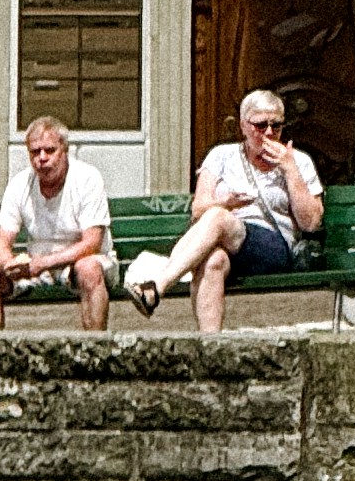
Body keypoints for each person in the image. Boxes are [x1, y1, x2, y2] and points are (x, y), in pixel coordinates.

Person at [125, 90, 324, 329]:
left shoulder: (298, 161)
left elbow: (311, 222)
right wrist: (226, 204)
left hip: (274, 247)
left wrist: (290, 170)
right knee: (213, 260)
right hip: (225, 242)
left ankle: (157, 286)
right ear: (243, 126)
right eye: (260, 125)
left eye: (276, 125)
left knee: (218, 218)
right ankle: (210, 349)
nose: (269, 133)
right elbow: (199, 210)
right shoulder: (221, 156)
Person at [0, 115, 115, 331]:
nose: (42, 158)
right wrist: (7, 265)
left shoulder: (87, 178)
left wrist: (44, 263)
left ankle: (94, 354)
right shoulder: (19, 184)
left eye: (50, 150)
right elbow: (1, 244)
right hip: (37, 265)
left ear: (64, 150)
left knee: (88, 270)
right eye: (35, 152)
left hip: (85, 260)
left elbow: (92, 243)